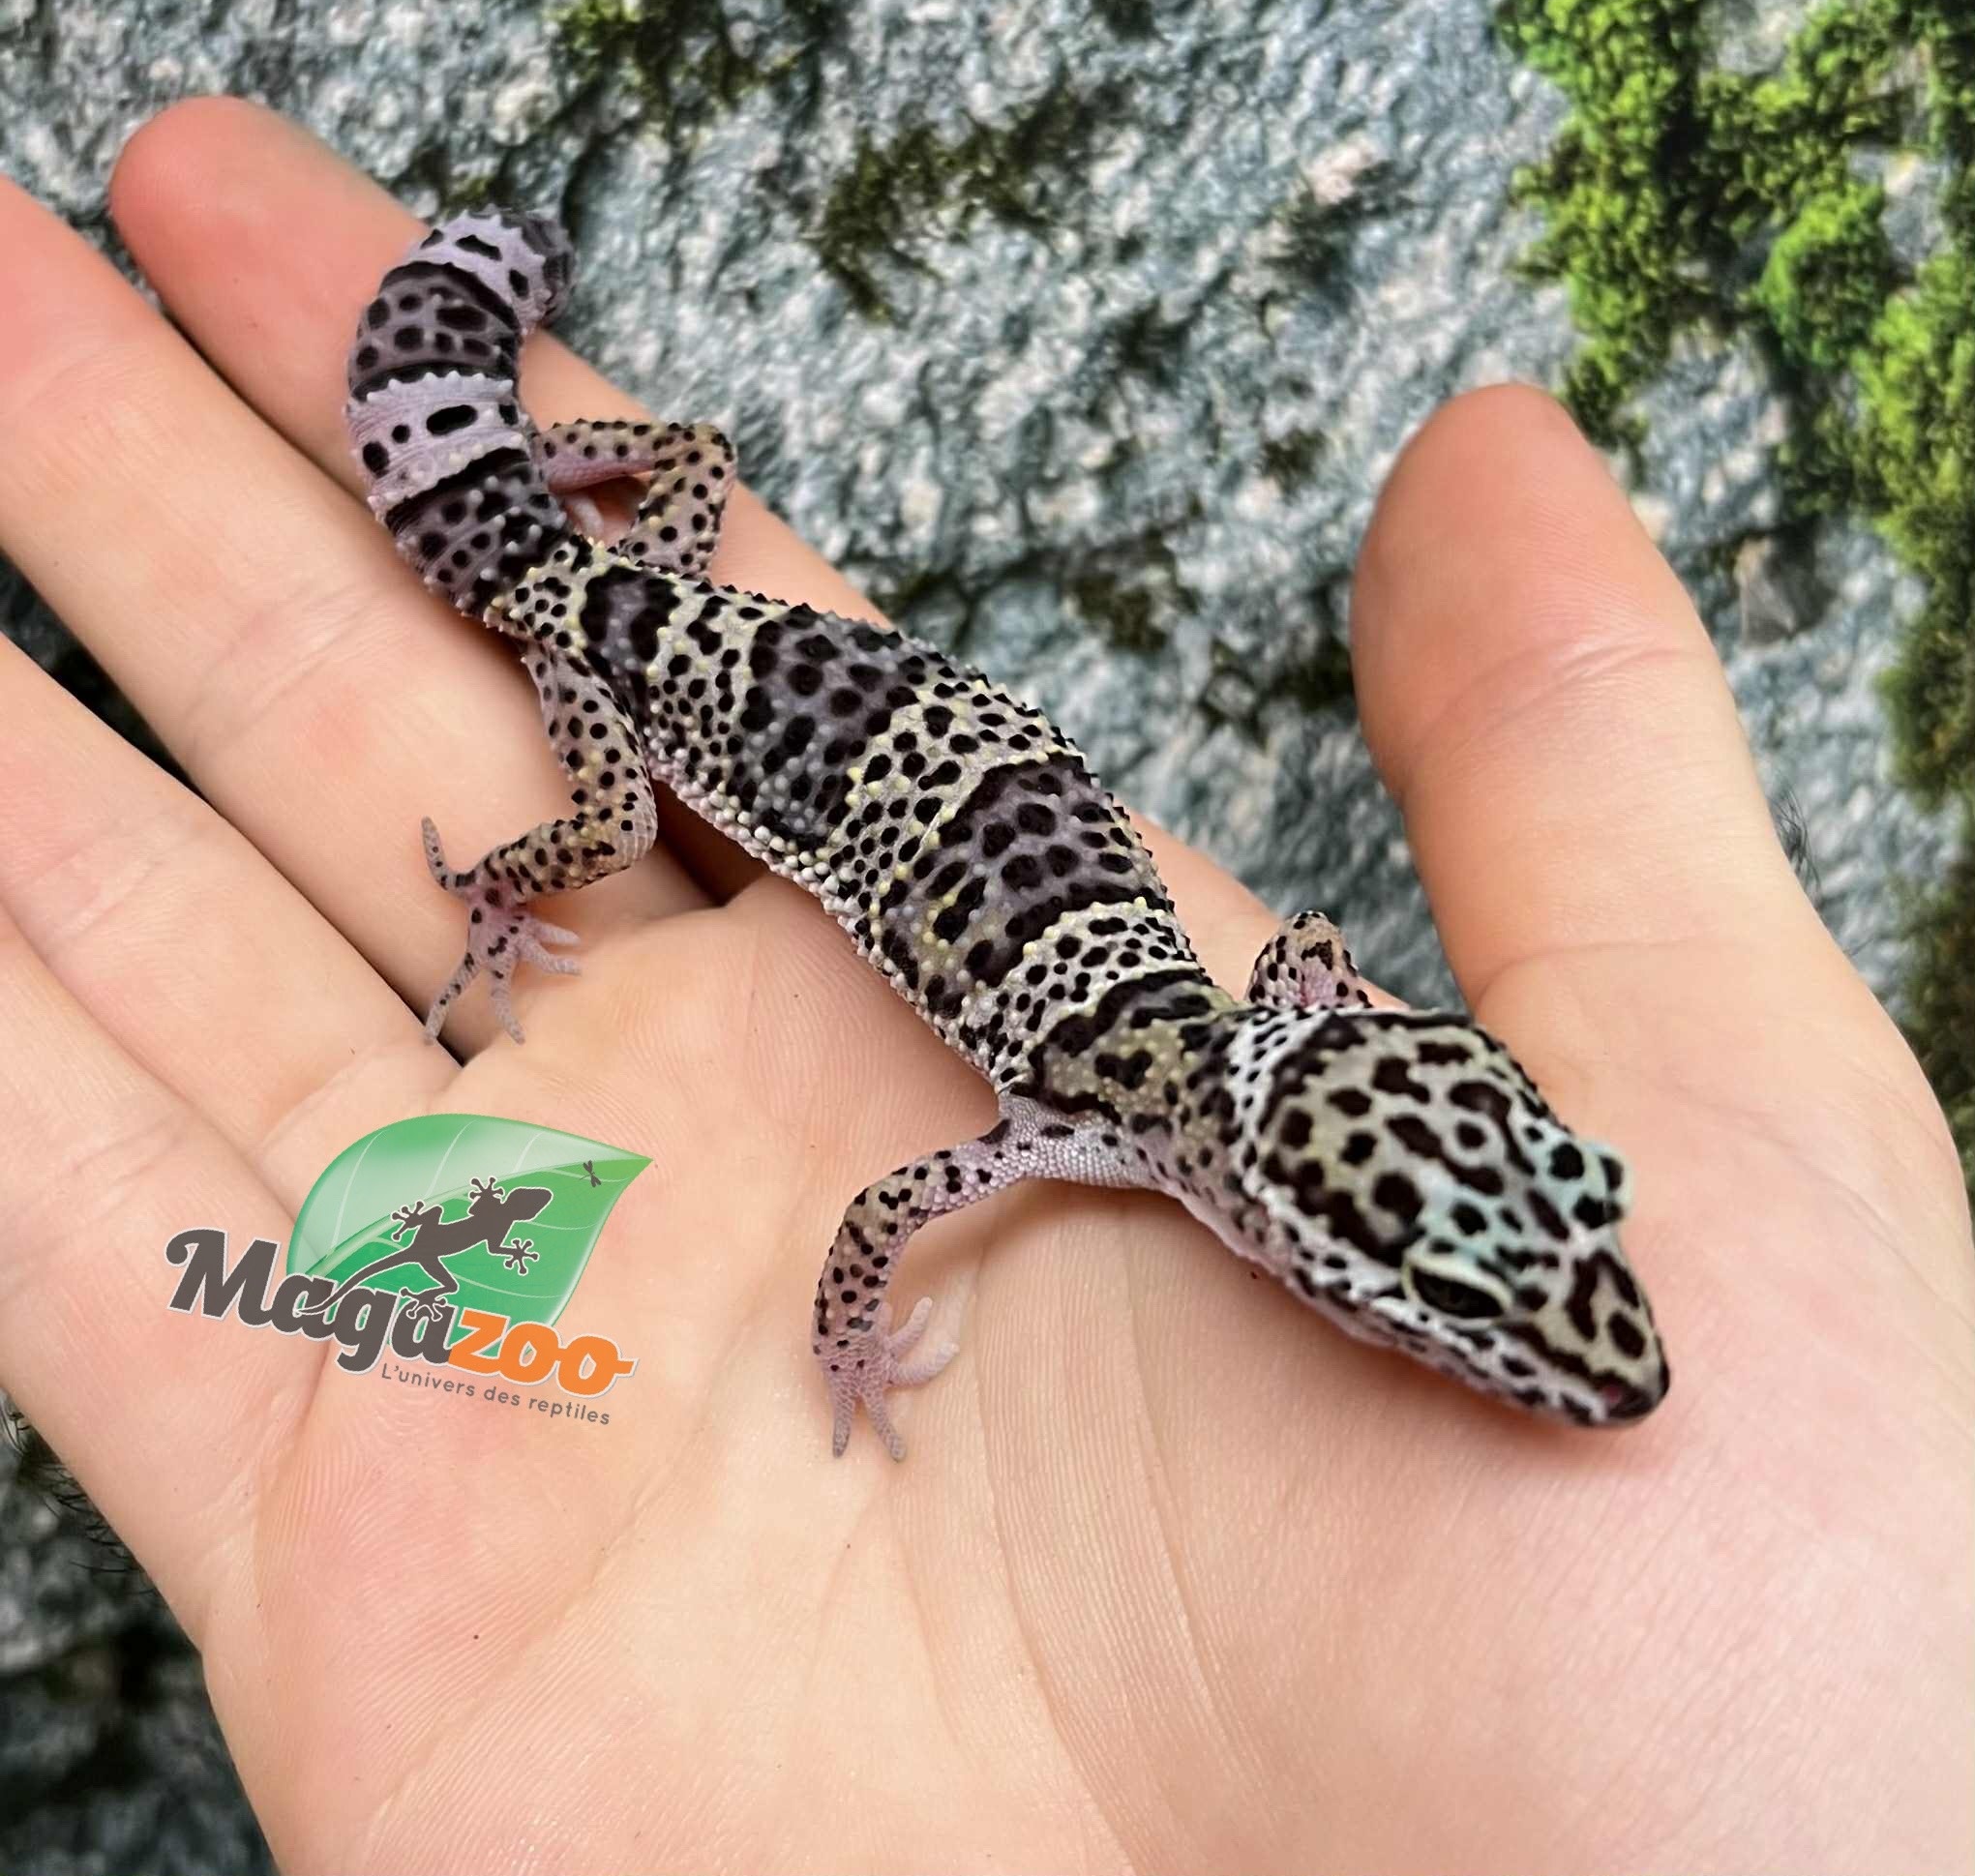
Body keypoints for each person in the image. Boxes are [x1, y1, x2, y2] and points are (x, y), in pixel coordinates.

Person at [0, 99, 1966, 1872]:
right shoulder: (1095, 1121)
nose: (1530, 1337)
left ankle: (497, 414)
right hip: (627, 660)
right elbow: (874, 1217)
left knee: (682, 472)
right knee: (602, 842)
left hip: (707, 618)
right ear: (1295, 1231)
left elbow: (1268, 982)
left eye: (1501, 1272)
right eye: (1466, 1299)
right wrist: (839, 1340)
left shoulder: (1200, 1057)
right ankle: (493, 611)